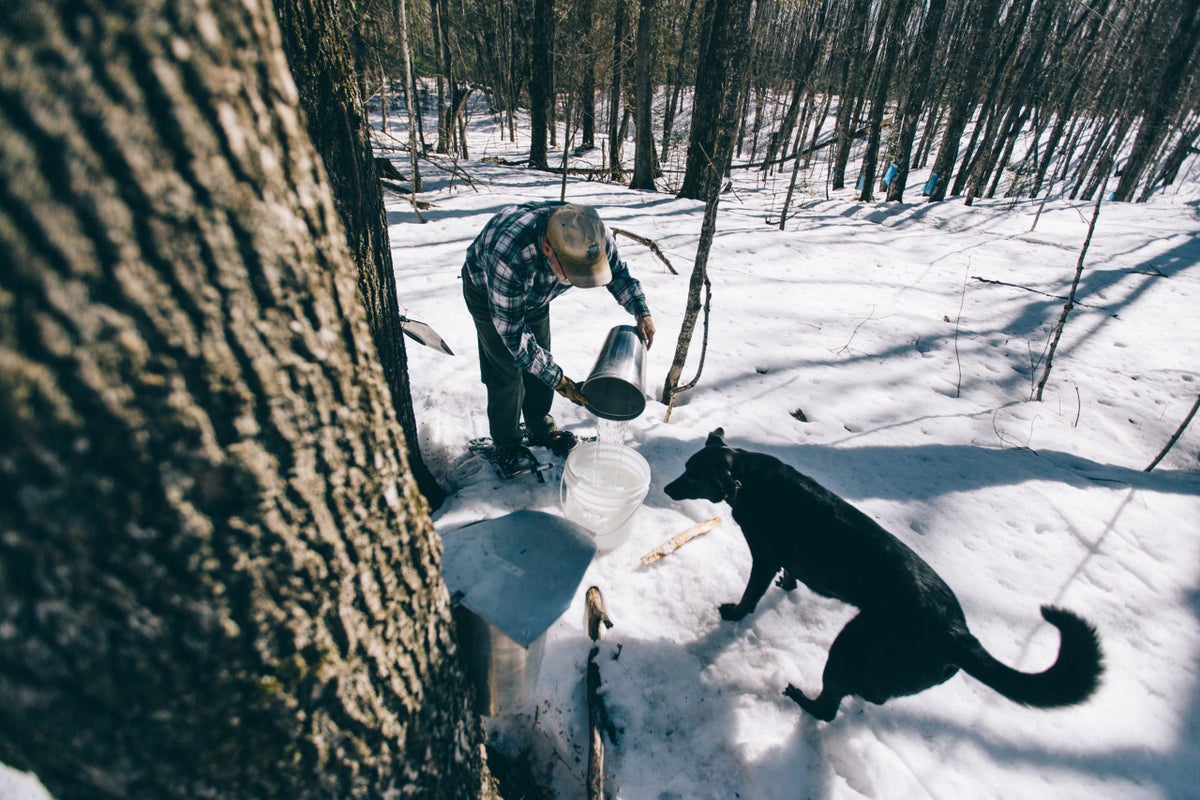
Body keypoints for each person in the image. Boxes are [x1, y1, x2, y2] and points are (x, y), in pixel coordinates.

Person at [462, 201, 656, 476]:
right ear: (547, 250)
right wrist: (561, 381)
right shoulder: (508, 253)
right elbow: (515, 339)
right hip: (490, 294)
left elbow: (619, 274)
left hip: (537, 297)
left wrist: (641, 310)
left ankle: (540, 428)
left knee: (541, 356)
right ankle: (507, 444)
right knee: (507, 371)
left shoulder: (592, 236)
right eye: (575, 275)